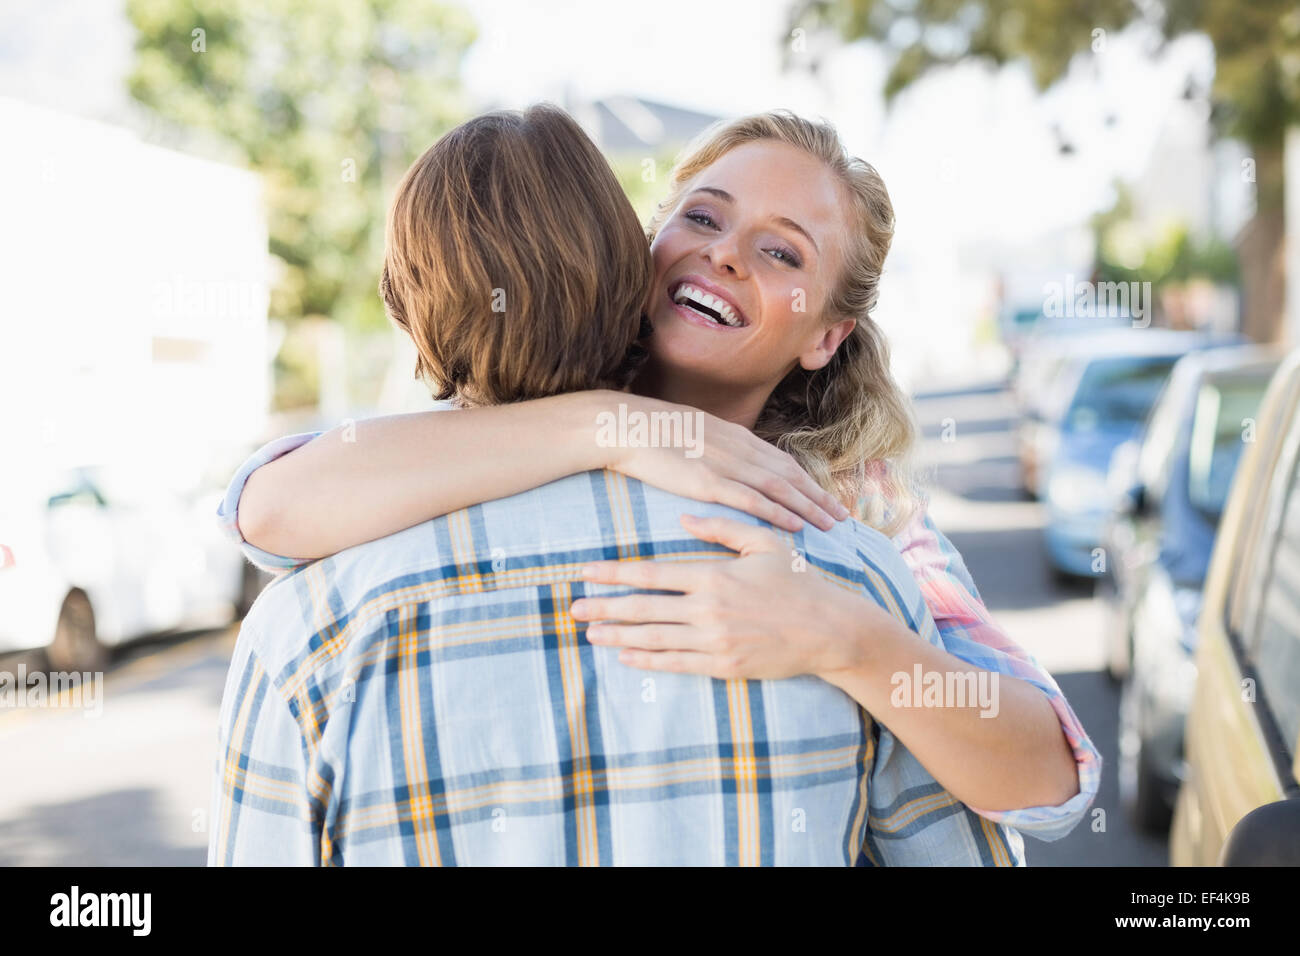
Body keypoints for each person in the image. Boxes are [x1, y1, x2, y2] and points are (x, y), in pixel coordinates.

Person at [210, 106, 1096, 865]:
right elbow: (268, 506)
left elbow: (1051, 778)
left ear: (827, 336)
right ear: (649, 242)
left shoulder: (847, 517)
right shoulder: (495, 439)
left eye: (782, 254)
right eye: (703, 218)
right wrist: (608, 424)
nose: (727, 255)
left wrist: (845, 638)